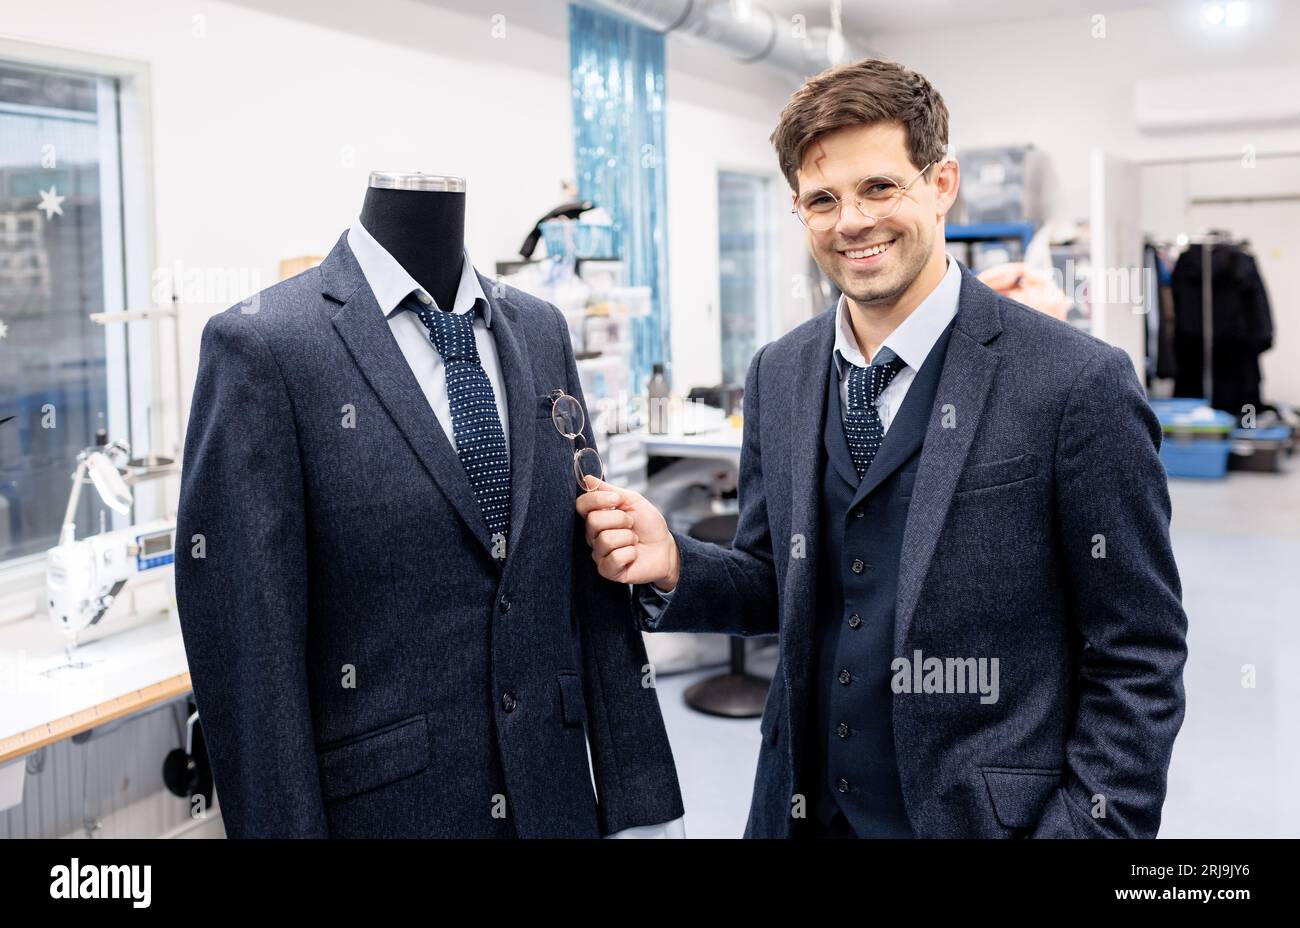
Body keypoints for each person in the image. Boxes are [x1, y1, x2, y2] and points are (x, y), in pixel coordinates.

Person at [577, 58, 1187, 838]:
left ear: (941, 184)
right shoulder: (781, 372)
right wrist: (675, 563)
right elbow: (775, 582)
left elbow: (1139, 652)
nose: (852, 221)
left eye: (878, 188)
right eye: (822, 200)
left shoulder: (1076, 384)